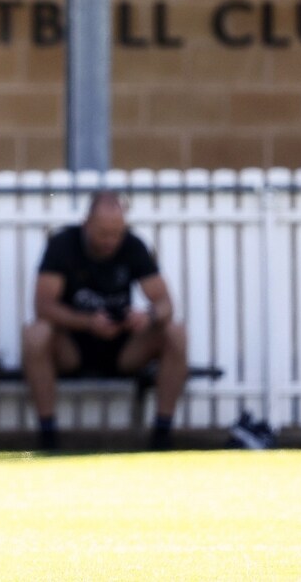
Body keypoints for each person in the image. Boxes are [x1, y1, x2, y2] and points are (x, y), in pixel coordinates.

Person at [21, 191, 189, 451]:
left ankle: (162, 434)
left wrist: (147, 316)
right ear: (86, 223)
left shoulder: (133, 246)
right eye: (103, 233)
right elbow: (42, 306)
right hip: (72, 348)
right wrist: (88, 322)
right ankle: (48, 436)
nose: (110, 240)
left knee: (175, 332)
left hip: (124, 349)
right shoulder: (62, 245)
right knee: (35, 333)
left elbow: (166, 304)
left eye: (117, 233)